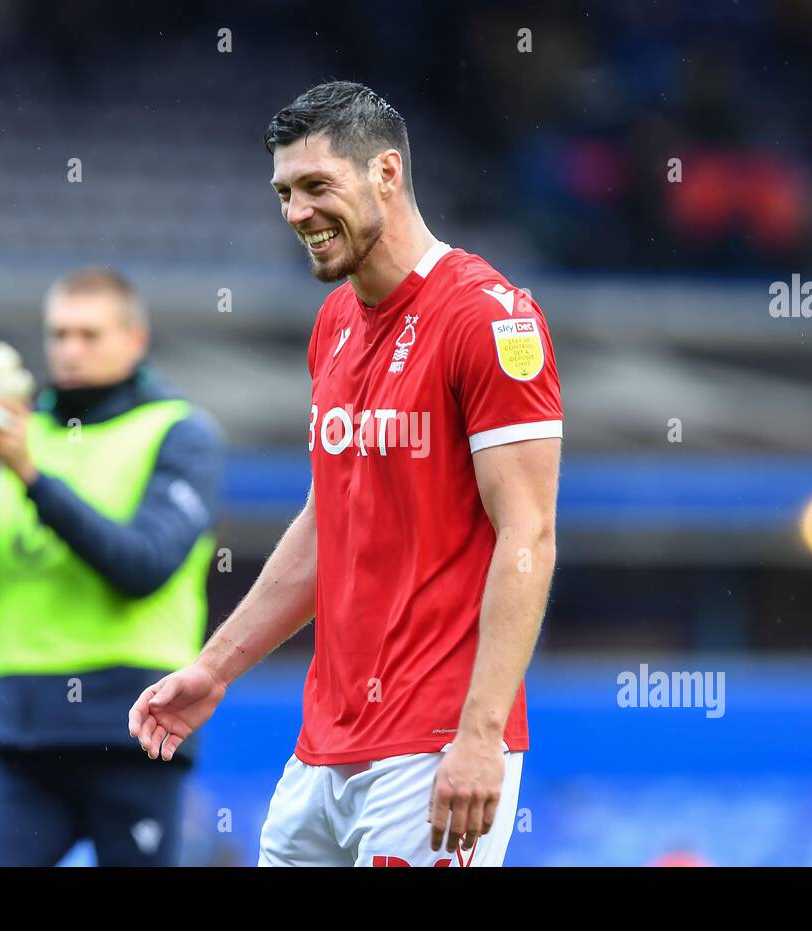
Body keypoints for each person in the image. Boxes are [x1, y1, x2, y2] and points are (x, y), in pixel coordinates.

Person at [131, 81, 562, 867]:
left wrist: (481, 735)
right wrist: (213, 668)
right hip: (325, 749)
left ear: (386, 174)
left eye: (317, 186)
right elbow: (329, 522)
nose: (297, 212)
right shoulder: (333, 324)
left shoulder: (490, 320)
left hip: (434, 746)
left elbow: (528, 534)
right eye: (285, 193)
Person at [0, 267, 225, 867]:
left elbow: (141, 566)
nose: (69, 350)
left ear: (135, 339)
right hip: (24, 736)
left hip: (136, 729)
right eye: (58, 334)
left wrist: (31, 475)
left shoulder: (179, 432)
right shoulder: (17, 432)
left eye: (89, 334)